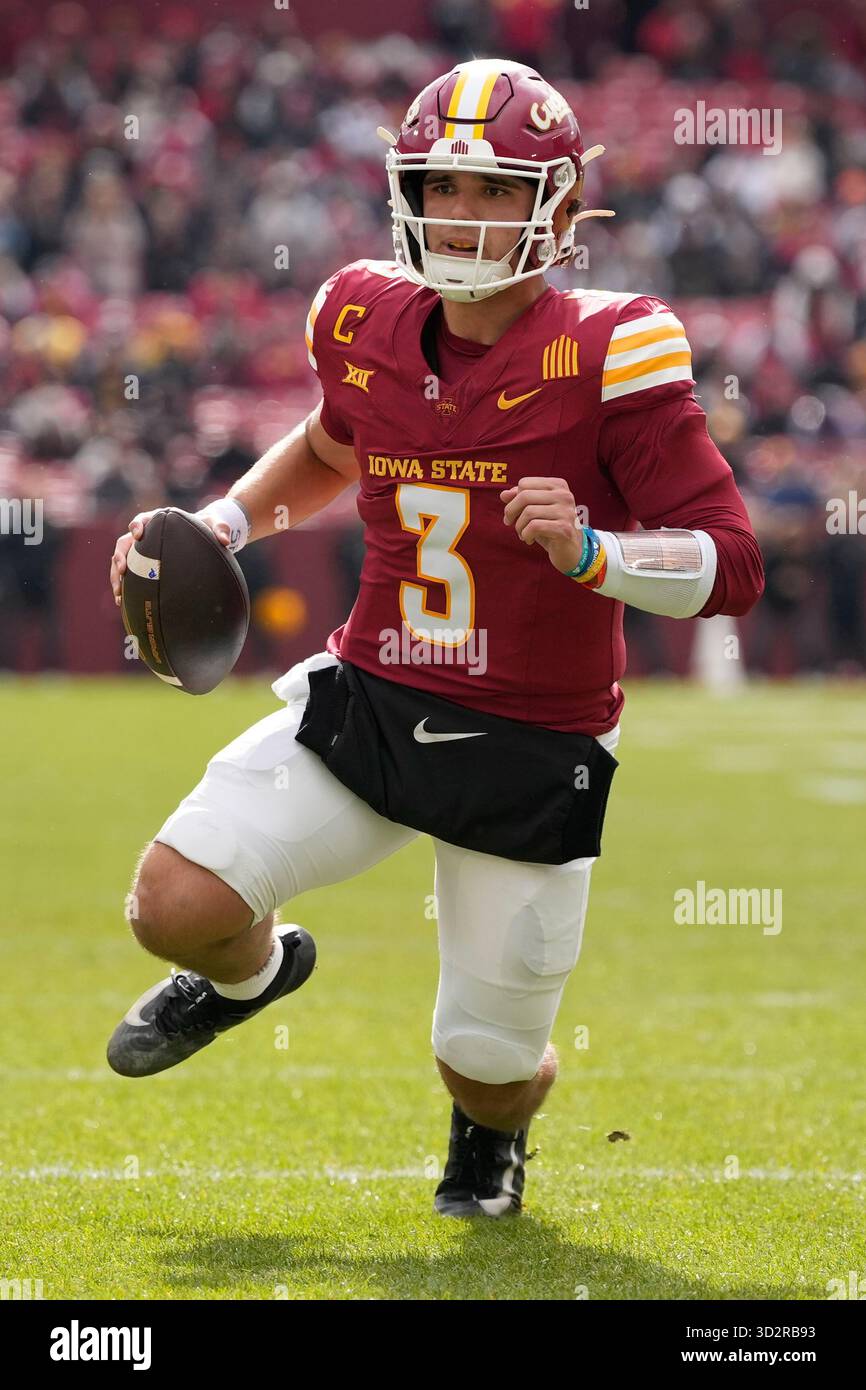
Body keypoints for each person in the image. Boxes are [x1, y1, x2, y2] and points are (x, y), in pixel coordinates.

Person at [107, 59, 764, 1218]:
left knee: (489, 1063)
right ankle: (256, 974)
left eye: (494, 191)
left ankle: (487, 1128)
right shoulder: (361, 312)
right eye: (441, 186)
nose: (461, 216)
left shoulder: (613, 346)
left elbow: (733, 561)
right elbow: (328, 444)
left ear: (557, 209)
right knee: (173, 903)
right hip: (372, 695)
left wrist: (593, 555)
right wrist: (221, 523)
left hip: (529, 739)